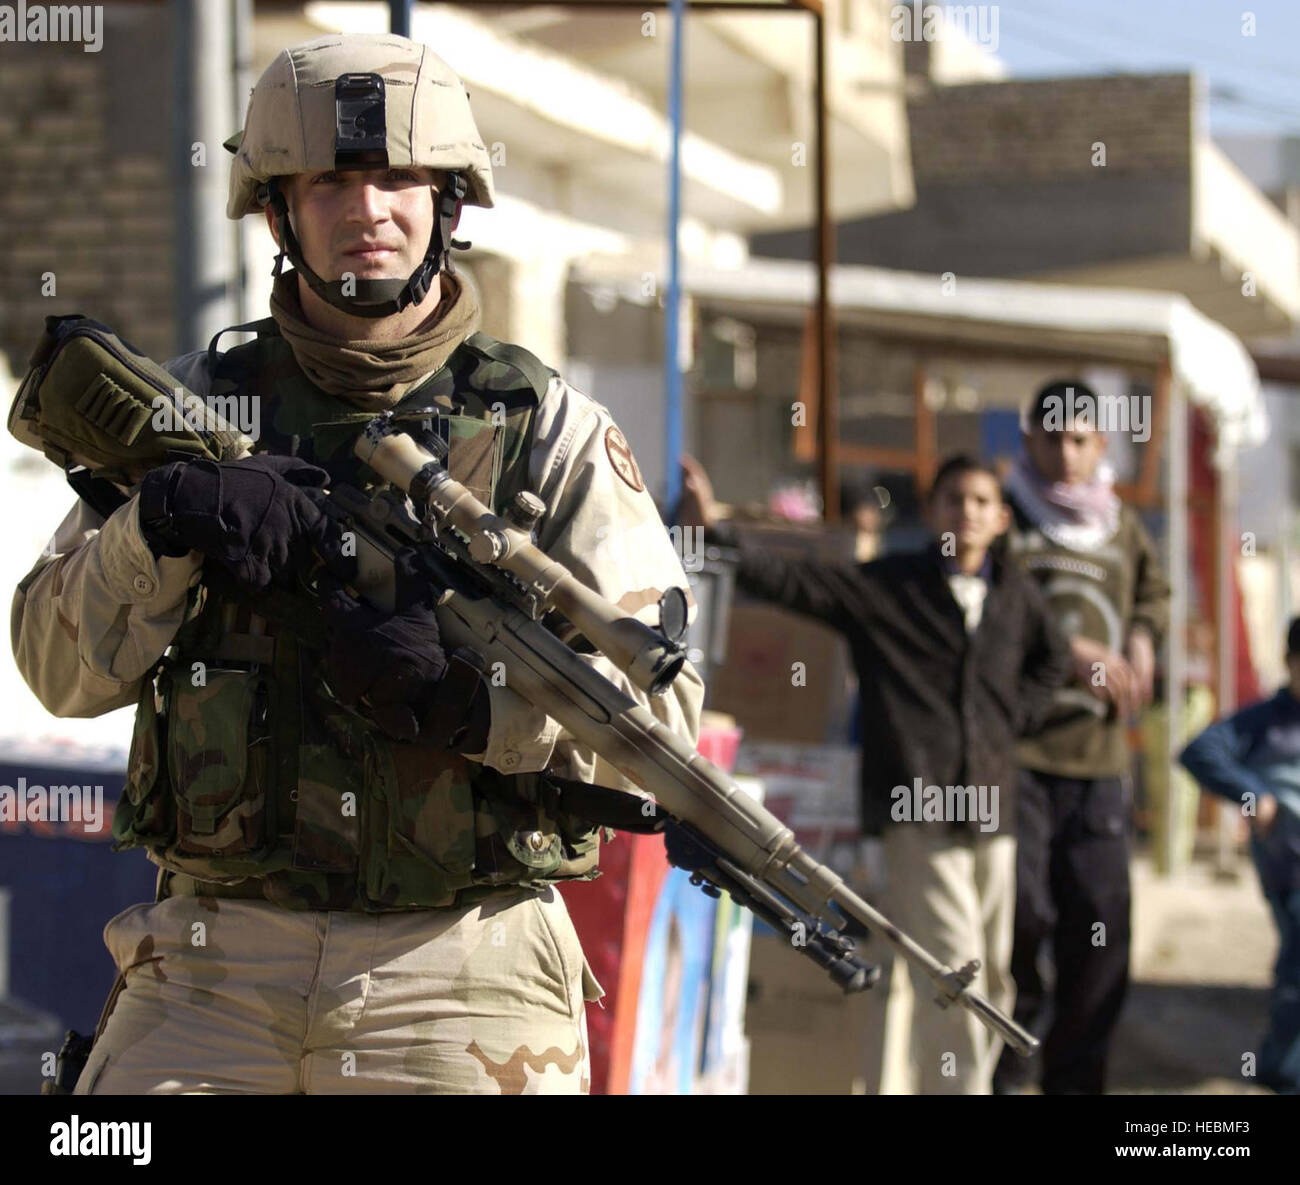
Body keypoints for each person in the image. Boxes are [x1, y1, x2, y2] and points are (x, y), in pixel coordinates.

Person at [10, 33, 703, 1095]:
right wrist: (155, 529)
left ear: (449, 205)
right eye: (330, 180)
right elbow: (59, 671)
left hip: (465, 966)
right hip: (212, 959)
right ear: (280, 210)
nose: (366, 208)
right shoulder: (195, 406)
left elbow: (669, 724)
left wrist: (483, 706)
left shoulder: (548, 431)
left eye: (398, 178)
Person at [679, 452, 1071, 1093]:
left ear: (1000, 518)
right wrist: (717, 528)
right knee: (954, 970)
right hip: (917, 810)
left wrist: (1012, 722)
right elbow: (797, 581)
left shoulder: (1017, 596)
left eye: (979, 502)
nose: (966, 513)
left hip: (993, 813)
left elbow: (1052, 662)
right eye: (953, 500)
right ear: (933, 512)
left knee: (994, 975)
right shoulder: (892, 588)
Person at [993, 379, 1170, 1095]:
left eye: (1080, 440)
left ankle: (1077, 1080)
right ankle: (1012, 1068)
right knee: (1023, 920)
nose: (1066, 455)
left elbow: (1152, 592)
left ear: (1100, 444)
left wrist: (1142, 638)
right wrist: (1071, 652)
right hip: (1020, 759)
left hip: (1097, 766)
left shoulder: (1119, 526)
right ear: (1028, 440)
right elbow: (989, 608)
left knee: (1100, 931)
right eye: (1051, 438)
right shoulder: (1006, 519)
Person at [1179, 618, 1300, 1095]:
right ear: (1290, 664)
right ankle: (1284, 1073)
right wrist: (1255, 795)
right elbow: (1199, 752)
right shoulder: (1262, 723)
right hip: (1290, 868)